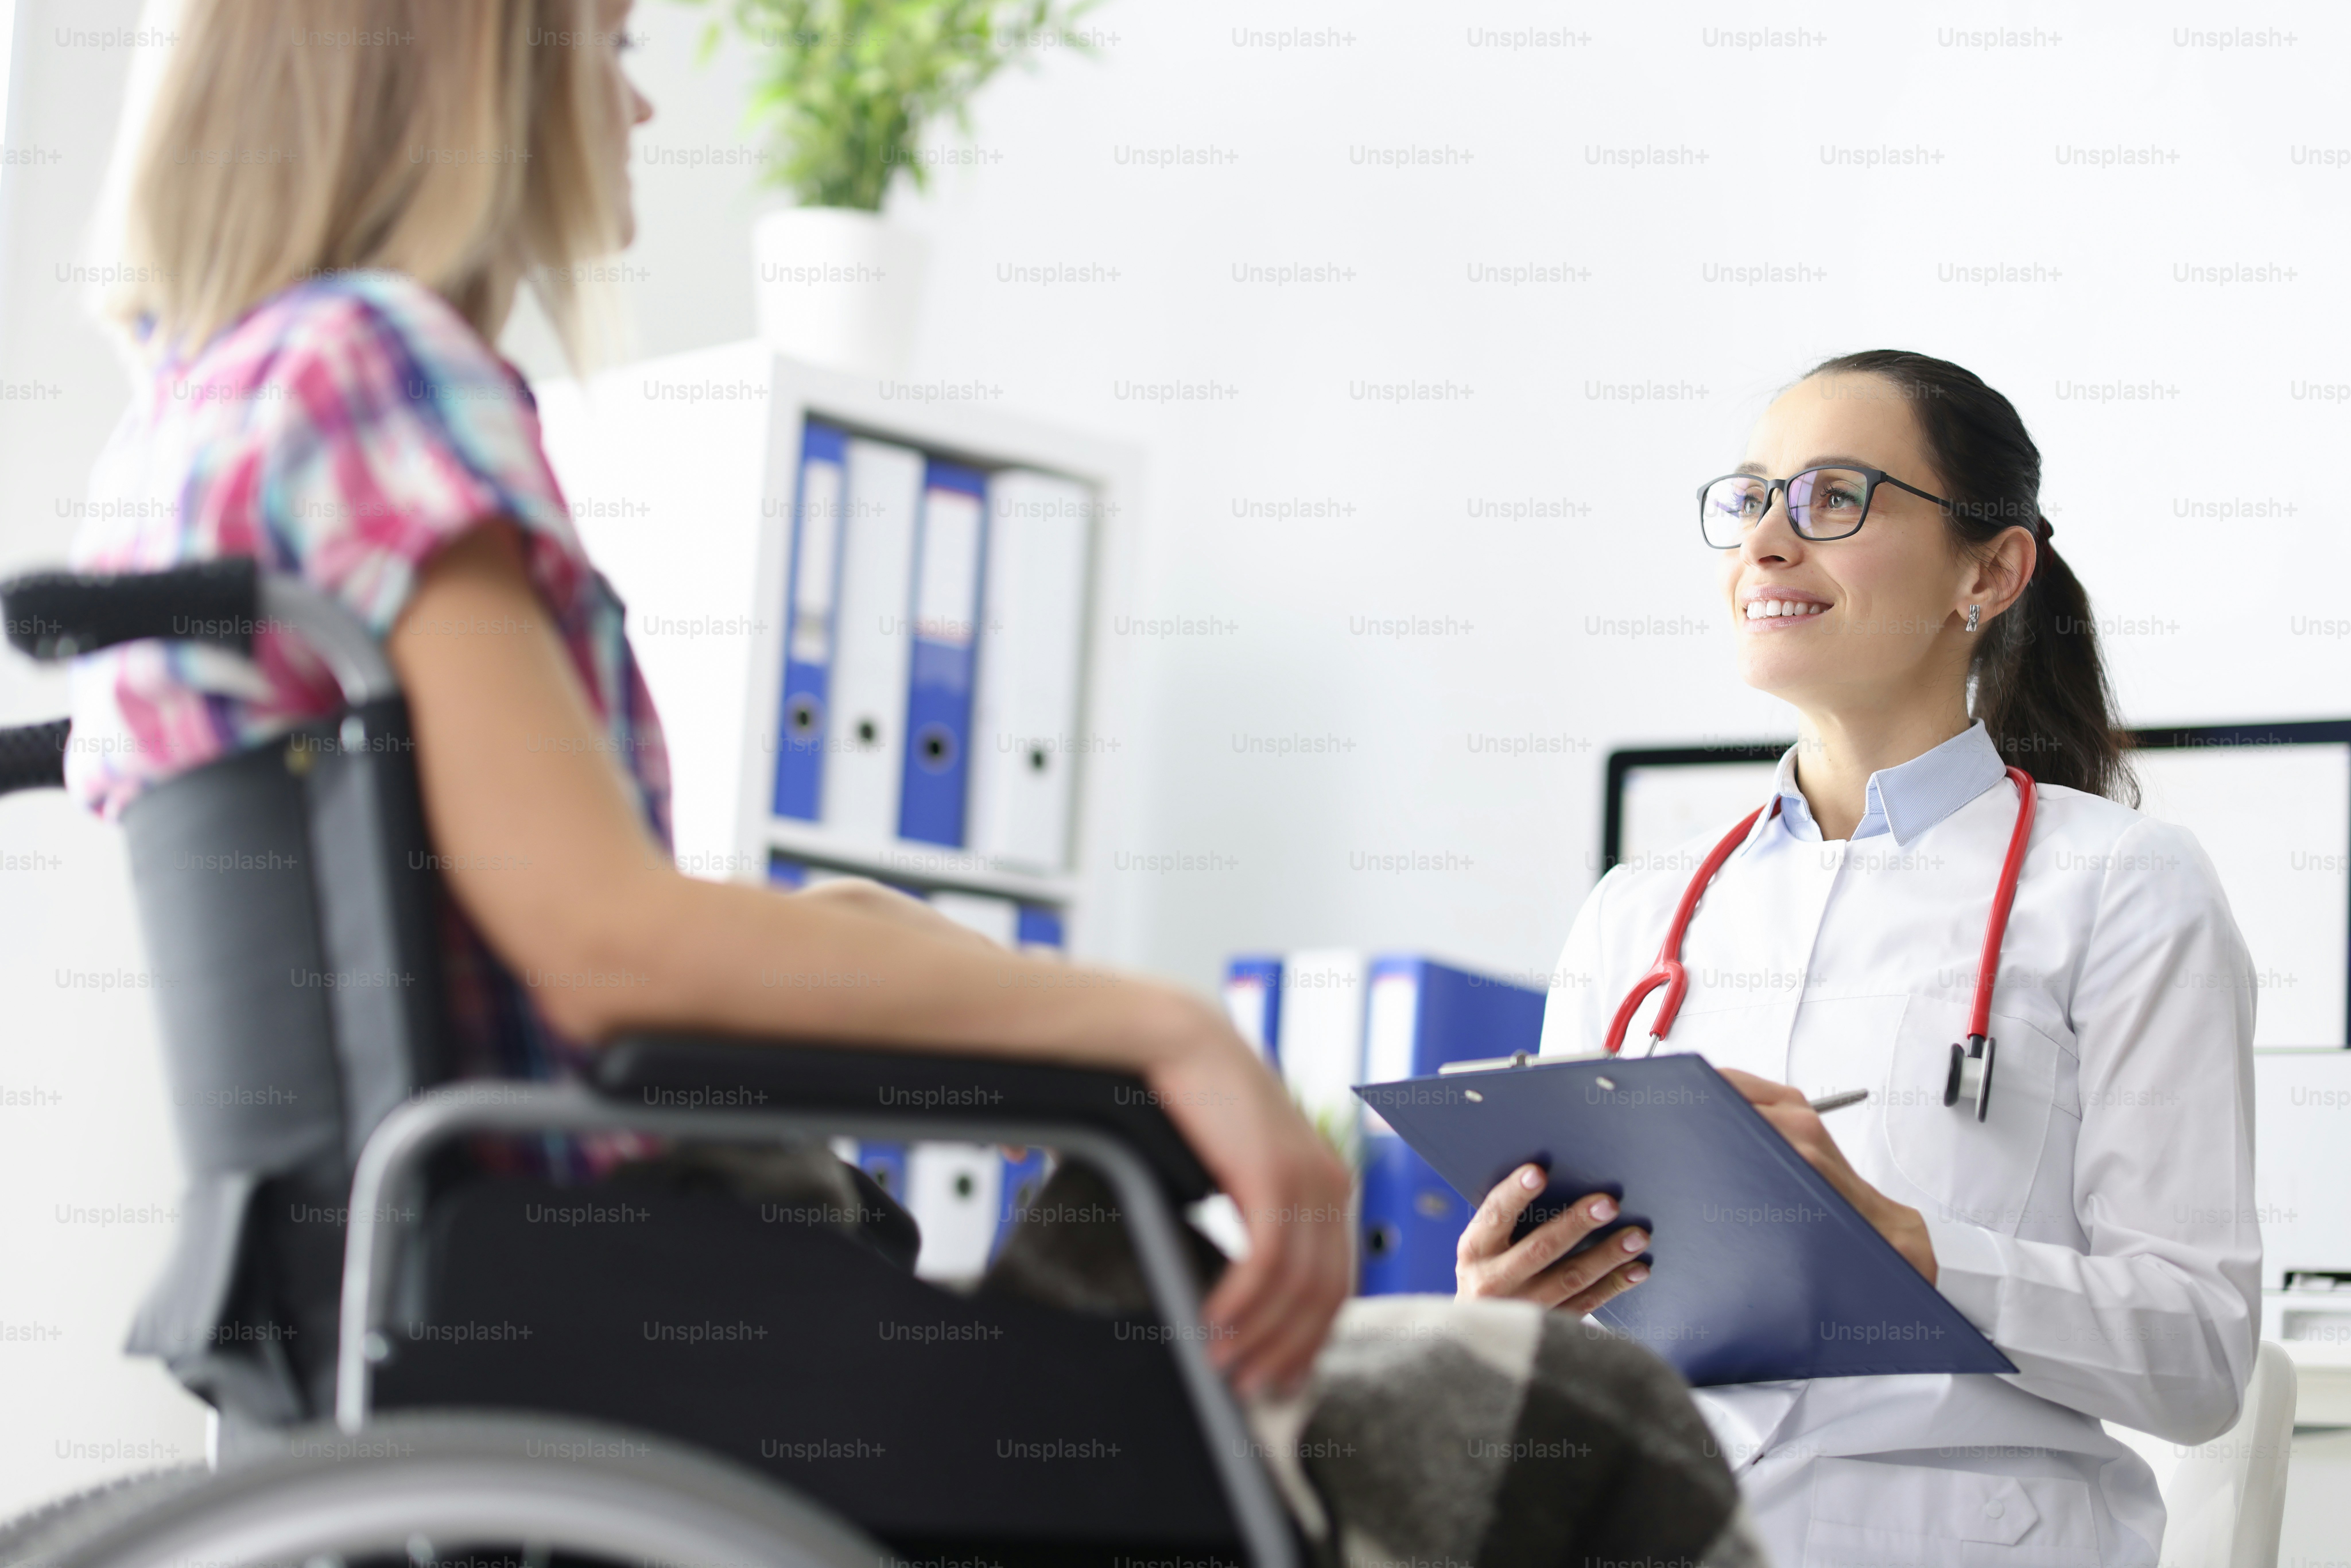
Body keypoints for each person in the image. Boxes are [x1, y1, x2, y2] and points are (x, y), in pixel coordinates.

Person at [61, 3, 1762, 1563]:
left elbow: (526, 928)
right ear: (466, 61)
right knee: (1573, 1412)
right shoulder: (378, 362)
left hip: (379, 1284)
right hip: (605, 1304)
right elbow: (605, 947)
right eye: (609, 40)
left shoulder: (189, 426)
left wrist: (946, 961)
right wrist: (1161, 1029)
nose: (641, 98)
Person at [1459, 350, 2260, 1567]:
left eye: (1833, 498)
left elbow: (2199, 1355)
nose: (1767, 544)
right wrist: (1513, 1311)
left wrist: (1905, 1243)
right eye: (1749, 499)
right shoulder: (1637, 913)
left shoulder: (2121, 886)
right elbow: (1586, 1360)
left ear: (1987, 572)